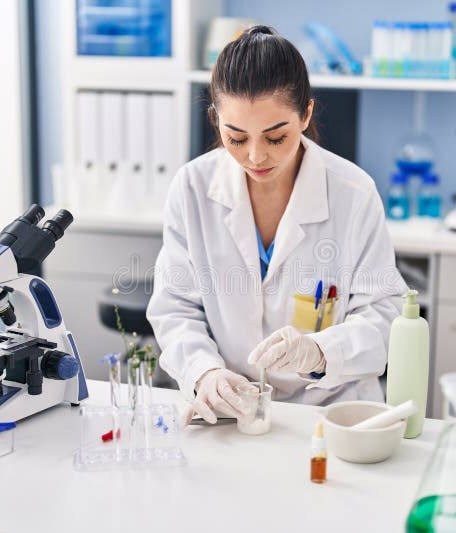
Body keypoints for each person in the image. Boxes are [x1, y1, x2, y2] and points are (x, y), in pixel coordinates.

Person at [147, 26, 407, 425]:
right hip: (233, 409)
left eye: (275, 137)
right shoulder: (193, 187)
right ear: (216, 121)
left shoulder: (353, 193)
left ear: (305, 114)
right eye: (236, 138)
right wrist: (205, 372)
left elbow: (385, 315)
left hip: (330, 412)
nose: (255, 156)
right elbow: (175, 308)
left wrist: (321, 352)